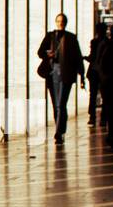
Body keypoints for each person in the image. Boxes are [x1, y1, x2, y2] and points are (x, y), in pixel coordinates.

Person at [37, 13, 85, 146]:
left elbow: (78, 57)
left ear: (66, 22)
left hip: (66, 74)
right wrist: (48, 54)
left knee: (61, 104)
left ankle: (59, 132)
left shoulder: (71, 37)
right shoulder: (50, 36)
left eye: (62, 21)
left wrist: (82, 75)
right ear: (56, 22)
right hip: (52, 73)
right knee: (56, 104)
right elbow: (40, 52)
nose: (60, 23)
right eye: (58, 21)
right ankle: (60, 130)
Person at [86, 23, 107, 126]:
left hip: (98, 71)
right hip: (98, 72)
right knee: (98, 95)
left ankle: (94, 117)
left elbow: (92, 56)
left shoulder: (97, 42)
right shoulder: (104, 42)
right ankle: (98, 117)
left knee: (95, 95)